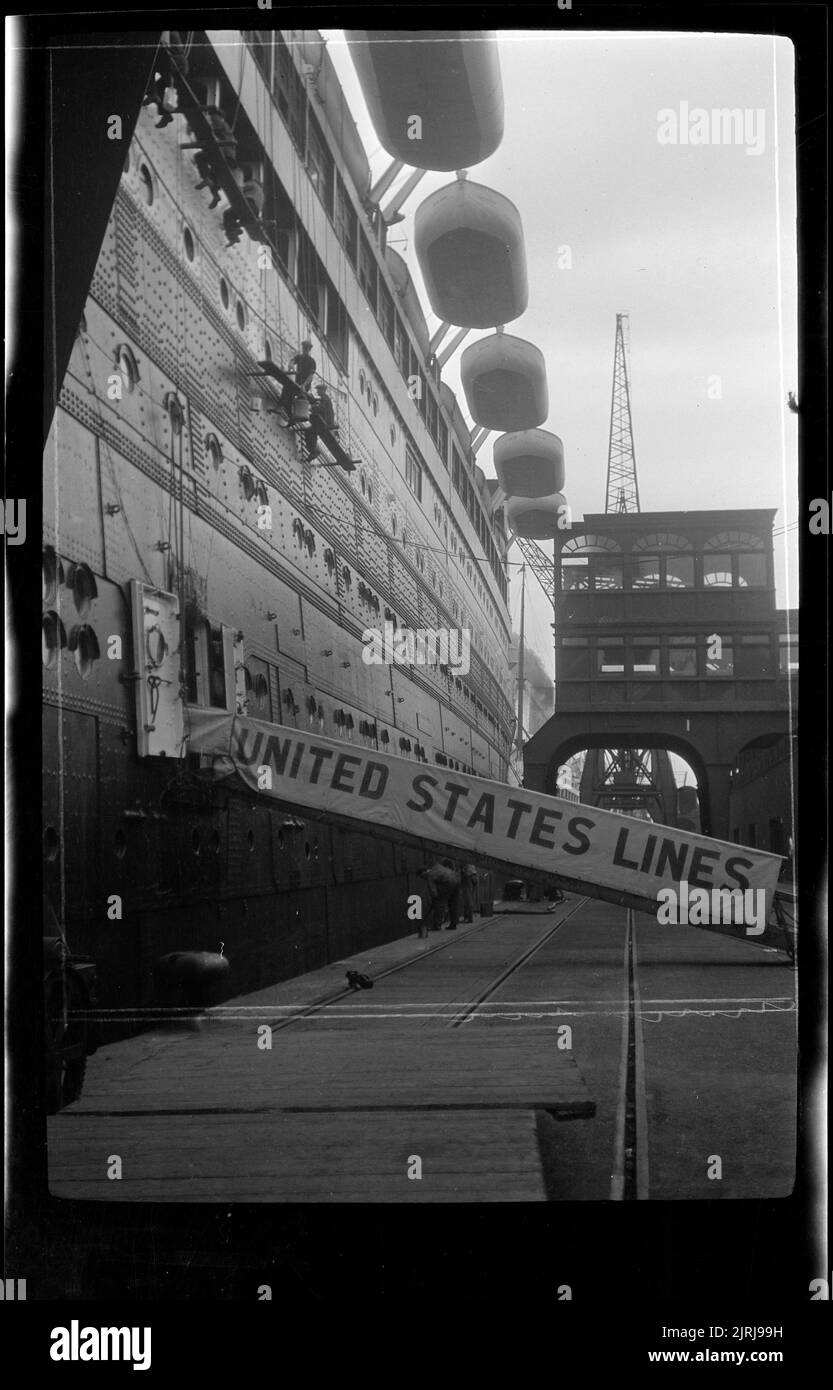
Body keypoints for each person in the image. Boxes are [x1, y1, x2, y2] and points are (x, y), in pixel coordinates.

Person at [417, 860, 461, 939]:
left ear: (423, 873)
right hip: (456, 879)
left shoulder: (430, 875)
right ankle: (454, 924)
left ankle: (437, 925)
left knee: (439, 905)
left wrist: (435, 900)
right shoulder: (437, 867)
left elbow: (433, 891)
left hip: (448, 882)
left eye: (421, 877)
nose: (423, 879)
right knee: (453, 903)